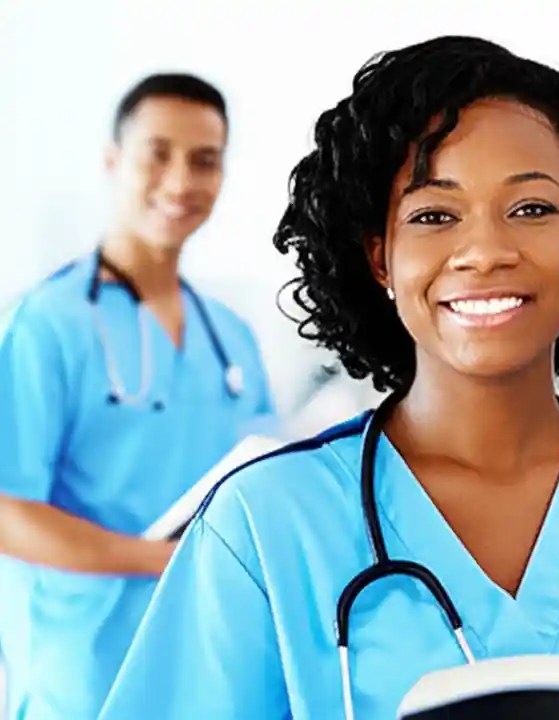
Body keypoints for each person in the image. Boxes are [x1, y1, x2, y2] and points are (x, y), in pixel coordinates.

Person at [98, 36, 559, 719]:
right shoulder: (263, 526)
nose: (485, 250)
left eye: (532, 208)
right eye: (435, 214)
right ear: (380, 258)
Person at [0, 73, 275, 719]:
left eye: (204, 160)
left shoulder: (231, 336)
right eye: (158, 153)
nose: (181, 181)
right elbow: (7, 511)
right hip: (86, 670)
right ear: (112, 161)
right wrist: (159, 561)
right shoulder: (46, 323)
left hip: (205, 662)